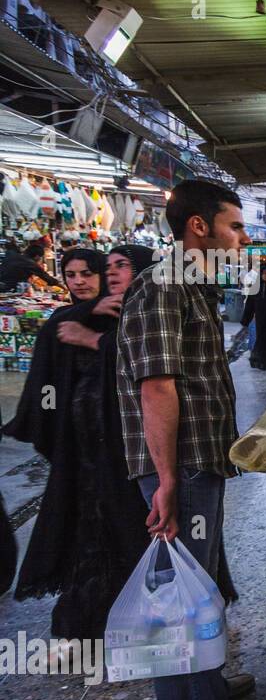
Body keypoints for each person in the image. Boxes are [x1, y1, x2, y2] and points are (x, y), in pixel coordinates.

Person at [117, 178, 257, 700]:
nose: (244, 238)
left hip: (199, 462)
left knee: (201, 588)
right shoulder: (162, 287)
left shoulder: (193, 286)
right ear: (198, 227)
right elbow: (157, 388)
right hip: (182, 467)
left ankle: (209, 689)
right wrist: (168, 481)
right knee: (179, 599)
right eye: (235, 226)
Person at [2, 248, 153, 641]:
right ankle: (87, 623)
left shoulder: (123, 317)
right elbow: (46, 384)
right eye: (70, 275)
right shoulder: (63, 320)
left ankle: (130, 621)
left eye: (88, 273)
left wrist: (91, 337)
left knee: (126, 530)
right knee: (86, 534)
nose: (79, 282)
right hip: (81, 456)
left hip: (124, 454)